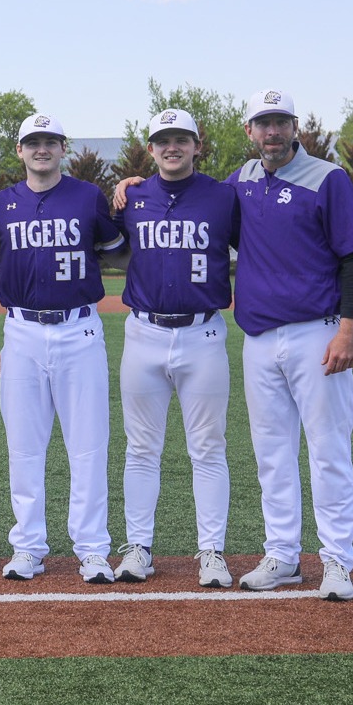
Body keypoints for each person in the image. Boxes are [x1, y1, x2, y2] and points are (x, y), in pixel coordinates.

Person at [229, 90, 353, 601]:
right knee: (272, 454)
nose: (271, 133)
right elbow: (194, 203)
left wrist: (348, 331)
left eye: (280, 123)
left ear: (296, 128)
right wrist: (135, 185)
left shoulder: (327, 178)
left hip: (318, 333)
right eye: (262, 124)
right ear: (249, 132)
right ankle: (283, 555)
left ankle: (336, 561)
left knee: (328, 449)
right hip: (260, 339)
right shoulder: (242, 180)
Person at [0, 113, 125, 584]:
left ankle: (91, 549)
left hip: (79, 329)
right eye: (32, 142)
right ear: (20, 150)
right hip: (22, 331)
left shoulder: (88, 196)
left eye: (49, 142)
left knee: (87, 446)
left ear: (63, 148)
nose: (40, 149)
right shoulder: (2, 203)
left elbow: (116, 248)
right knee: (24, 446)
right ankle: (28, 546)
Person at [112, 108, 240, 588]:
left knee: (208, 448)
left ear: (196, 144)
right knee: (141, 448)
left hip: (202, 334)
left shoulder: (223, 197)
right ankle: (139, 548)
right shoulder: (134, 196)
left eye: (181, 139)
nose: (172, 147)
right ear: (150, 149)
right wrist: (125, 186)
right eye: (163, 140)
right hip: (143, 334)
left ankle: (211, 553)